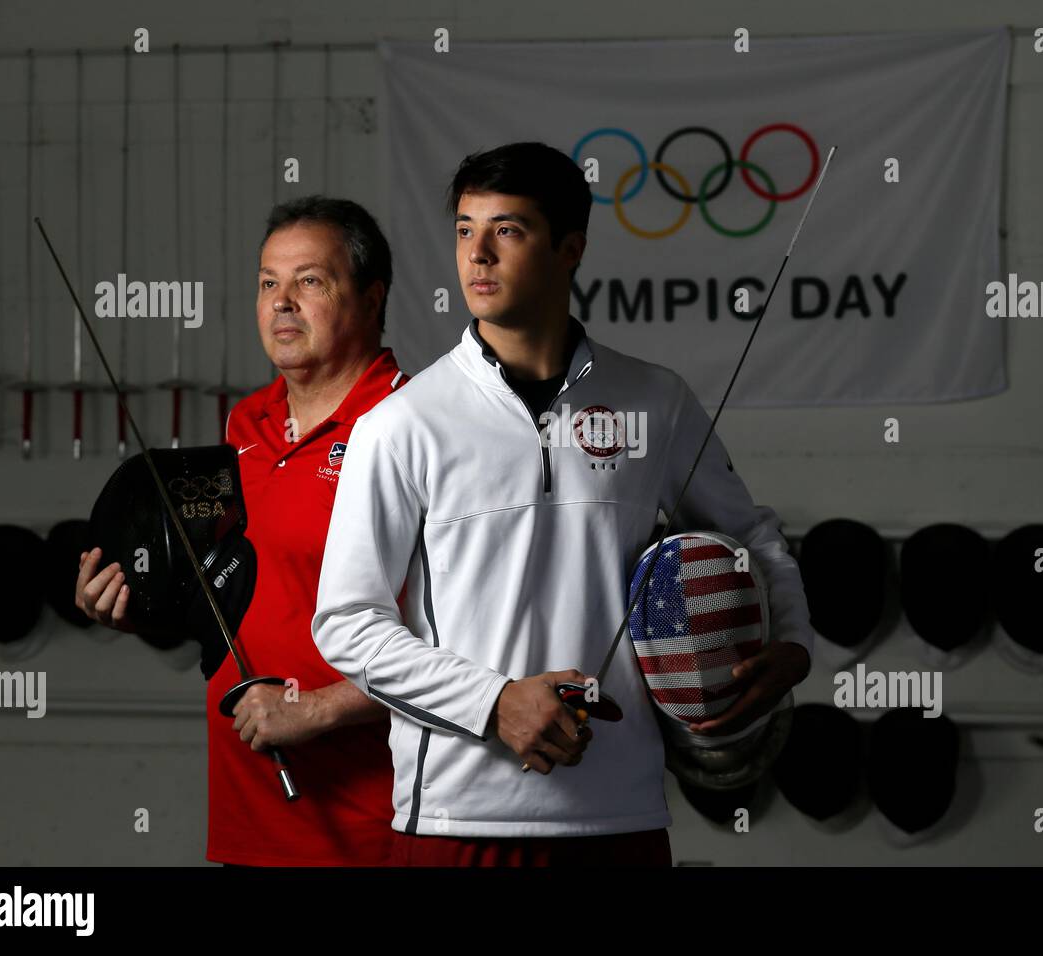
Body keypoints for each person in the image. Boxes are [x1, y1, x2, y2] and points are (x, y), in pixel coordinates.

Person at [312, 142, 813, 867]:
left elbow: (752, 539)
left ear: (570, 247)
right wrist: (494, 702)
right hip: (459, 818)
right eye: (464, 229)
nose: (477, 254)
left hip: (620, 811)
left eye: (507, 231)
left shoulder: (655, 401)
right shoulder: (402, 423)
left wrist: (792, 642)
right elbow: (349, 624)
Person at [75, 196, 408, 866]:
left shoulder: (419, 426)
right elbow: (234, 605)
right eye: (267, 283)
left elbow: (468, 644)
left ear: (372, 298)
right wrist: (139, 609)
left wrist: (315, 710)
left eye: (310, 281)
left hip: (377, 831)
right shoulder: (242, 429)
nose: (282, 303)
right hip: (249, 822)